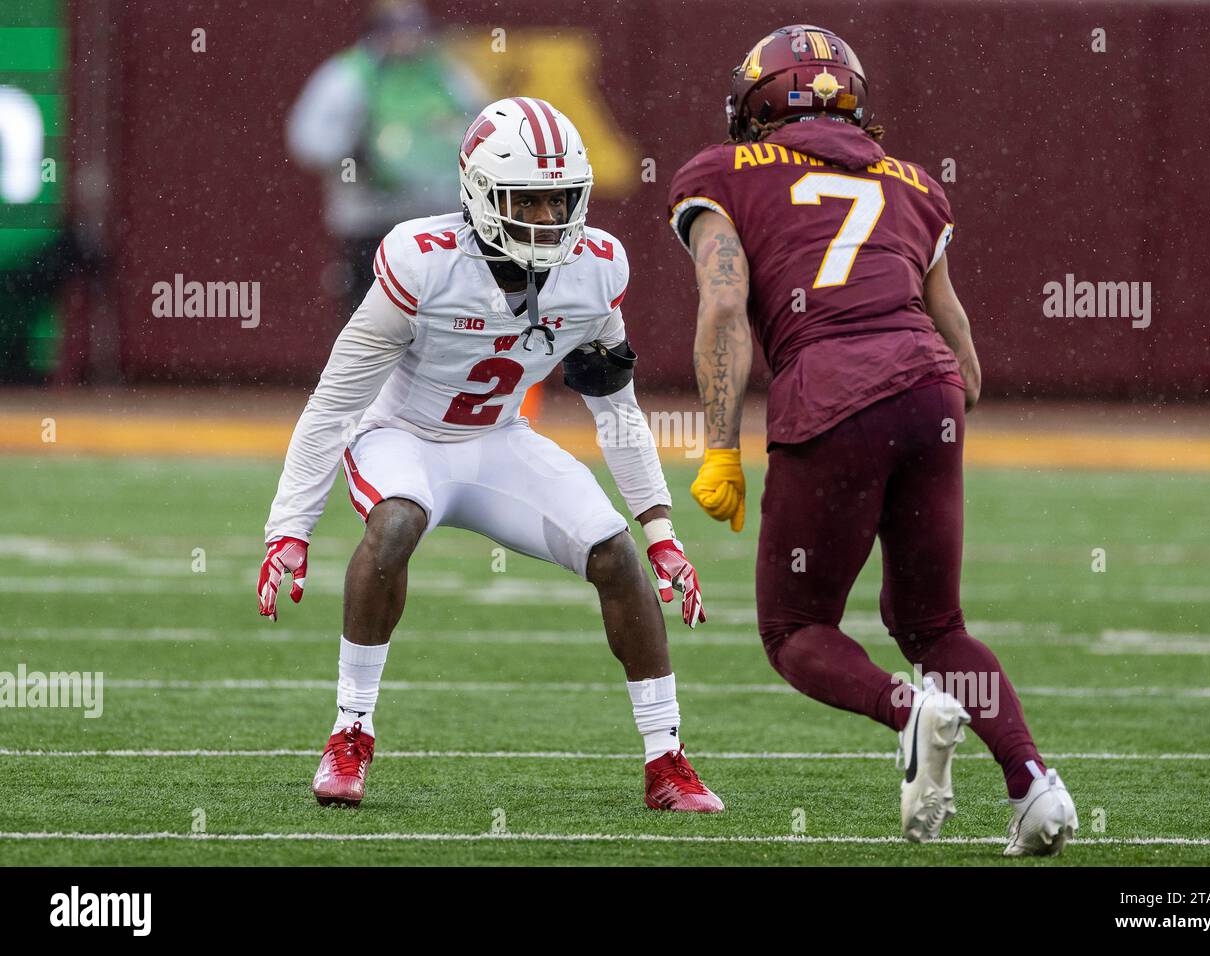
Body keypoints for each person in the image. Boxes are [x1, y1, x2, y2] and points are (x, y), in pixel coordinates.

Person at [668, 24, 1075, 854]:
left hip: (832, 389)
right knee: (934, 625)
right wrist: (925, 424)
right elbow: (962, 352)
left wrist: (719, 445)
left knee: (794, 629)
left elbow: (721, 307)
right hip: (930, 389)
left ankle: (909, 710)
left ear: (754, 105)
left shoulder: (723, 172)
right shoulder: (913, 182)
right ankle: (1034, 786)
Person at [259, 96, 723, 814]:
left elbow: (616, 408)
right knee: (396, 523)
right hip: (401, 435)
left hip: (499, 441)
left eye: (560, 200)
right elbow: (336, 404)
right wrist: (288, 529)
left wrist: (661, 532)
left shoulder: (596, 268)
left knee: (615, 553)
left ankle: (666, 759)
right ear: (479, 193)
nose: (547, 219)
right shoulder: (422, 262)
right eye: (527, 201)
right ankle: (350, 732)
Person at [287, 0, 486, 316]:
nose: (405, 39)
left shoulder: (446, 75)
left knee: (437, 319)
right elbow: (307, 137)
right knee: (369, 317)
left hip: (436, 222)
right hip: (369, 221)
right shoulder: (349, 75)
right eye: (395, 30)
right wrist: (352, 155)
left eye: (413, 29)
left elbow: (483, 125)